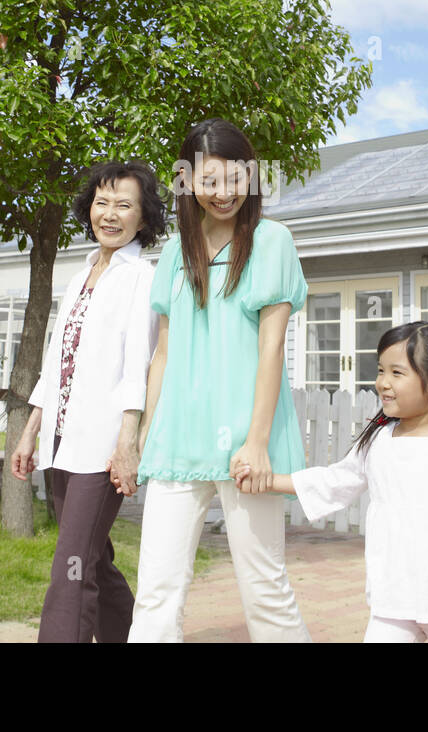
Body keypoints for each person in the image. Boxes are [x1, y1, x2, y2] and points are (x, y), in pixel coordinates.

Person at [127, 118, 310, 642]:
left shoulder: (271, 241)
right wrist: (144, 434)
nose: (223, 192)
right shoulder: (174, 253)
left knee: (263, 588)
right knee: (157, 589)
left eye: (235, 178)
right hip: (178, 440)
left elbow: (271, 347)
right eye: (209, 180)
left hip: (246, 445)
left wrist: (256, 442)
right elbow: (163, 352)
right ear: (188, 181)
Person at [235, 321, 428, 642]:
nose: (382, 382)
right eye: (380, 370)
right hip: (396, 594)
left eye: (397, 373)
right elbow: (336, 481)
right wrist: (269, 480)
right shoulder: (378, 440)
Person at [9, 160, 165, 643]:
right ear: (88, 208)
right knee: (91, 555)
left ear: (144, 217)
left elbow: (140, 363)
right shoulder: (80, 276)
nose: (110, 214)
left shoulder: (142, 276)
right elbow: (57, 360)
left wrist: (128, 442)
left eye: (125, 205)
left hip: (103, 443)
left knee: (71, 565)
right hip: (62, 438)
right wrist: (31, 432)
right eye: (102, 203)